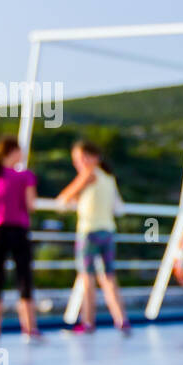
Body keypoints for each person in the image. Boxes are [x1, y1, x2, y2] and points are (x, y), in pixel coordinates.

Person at [55, 140, 130, 334]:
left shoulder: (88, 175)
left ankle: (88, 322)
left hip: (89, 232)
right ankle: (121, 320)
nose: (78, 163)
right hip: (108, 231)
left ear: (93, 157)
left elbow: (62, 200)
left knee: (87, 278)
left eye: (81, 158)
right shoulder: (108, 178)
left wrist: (75, 196)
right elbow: (118, 208)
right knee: (109, 278)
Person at [0, 136, 39, 339]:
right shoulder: (25, 176)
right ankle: (30, 328)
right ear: (13, 152)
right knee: (24, 278)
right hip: (18, 230)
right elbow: (31, 205)